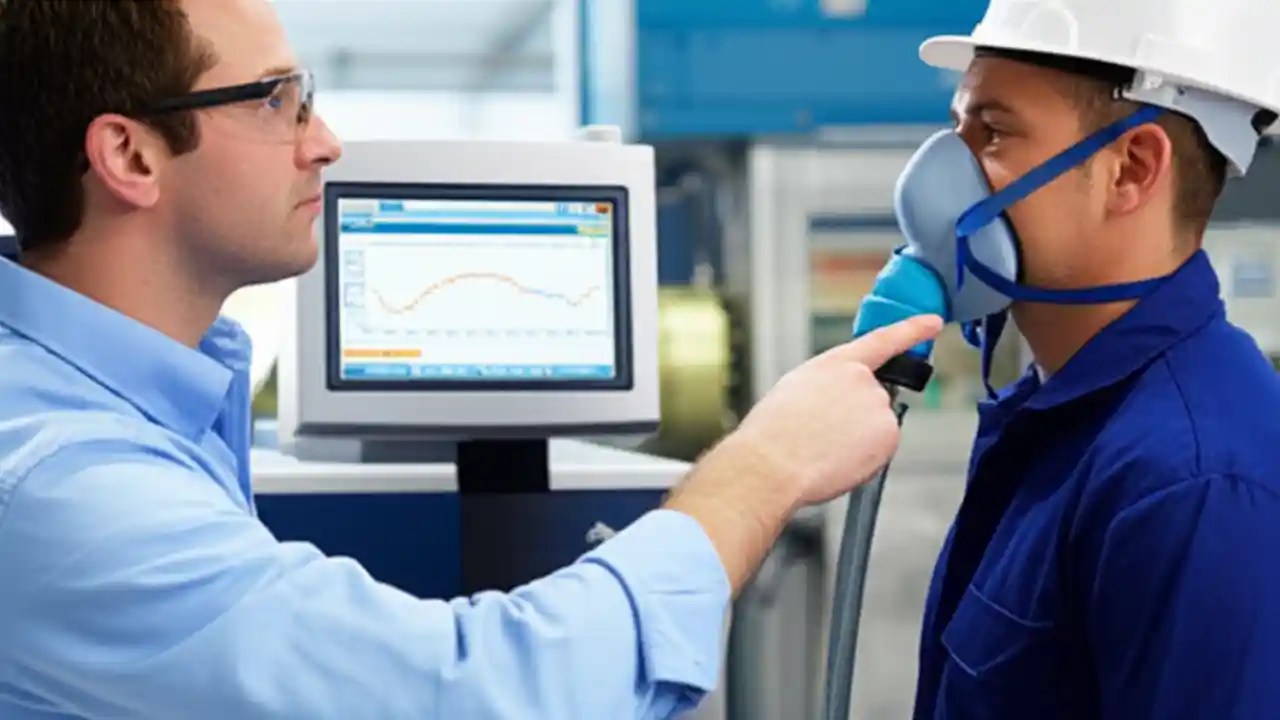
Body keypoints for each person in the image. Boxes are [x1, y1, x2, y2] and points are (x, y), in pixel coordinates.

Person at [0, 2, 942, 719]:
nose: (323, 143)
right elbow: (482, 693)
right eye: (275, 101)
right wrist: (763, 467)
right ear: (129, 155)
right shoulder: (64, 488)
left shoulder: (128, 403)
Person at [890, 1, 1280, 718]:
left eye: (994, 131)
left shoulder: (1193, 483)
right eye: (957, 128)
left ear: (1131, 169)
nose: (943, 169)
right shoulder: (1061, 418)